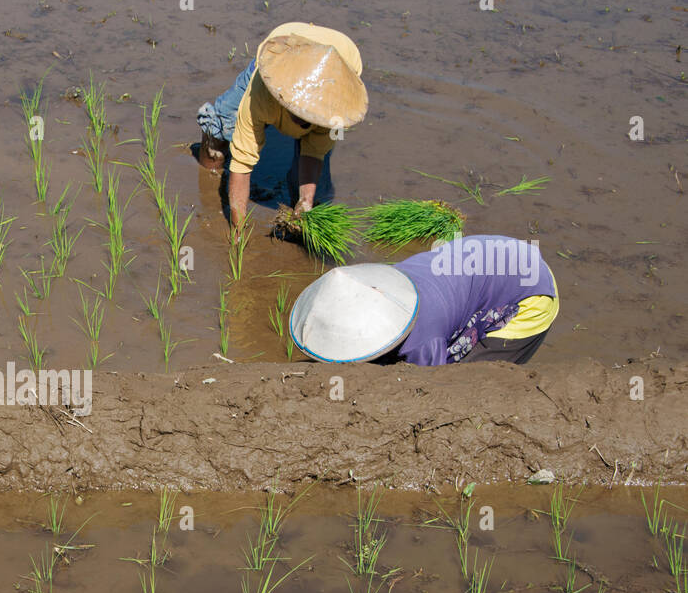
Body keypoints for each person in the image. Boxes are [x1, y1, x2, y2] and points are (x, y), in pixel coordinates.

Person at [195, 23, 368, 230]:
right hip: (284, 46)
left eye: (307, 118)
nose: (301, 119)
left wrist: (305, 203)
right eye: (295, 113)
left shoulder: (331, 110)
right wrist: (238, 231)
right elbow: (242, 165)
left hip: (340, 59)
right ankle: (210, 161)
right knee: (221, 129)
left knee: (311, 193)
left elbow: (313, 153)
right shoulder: (262, 95)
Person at [288, 236, 560, 366]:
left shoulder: (421, 339)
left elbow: (433, 385)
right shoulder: (382, 281)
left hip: (528, 291)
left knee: (472, 383)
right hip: (494, 258)